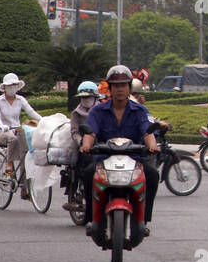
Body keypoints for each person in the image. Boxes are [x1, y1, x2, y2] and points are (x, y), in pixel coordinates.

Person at [78, 65, 160, 237]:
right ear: (110, 88)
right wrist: (86, 145)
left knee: (152, 174)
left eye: (123, 85)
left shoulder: (140, 110)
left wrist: (152, 146)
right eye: (116, 85)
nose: (120, 89)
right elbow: (90, 132)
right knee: (88, 173)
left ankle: (143, 220)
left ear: (129, 87)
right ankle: (92, 217)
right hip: (104, 159)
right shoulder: (98, 110)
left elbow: (148, 131)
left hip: (134, 159)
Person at [0, 72, 42, 200]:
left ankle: (25, 189)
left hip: (17, 129)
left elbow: (31, 112)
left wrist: (43, 120)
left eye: (14, 85)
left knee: (26, 154)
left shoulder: (20, 100)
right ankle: (9, 163)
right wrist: (1, 124)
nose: (12, 87)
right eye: (10, 85)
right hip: (2, 131)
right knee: (12, 139)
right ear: (4, 87)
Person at [65, 81, 99, 211]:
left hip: (101, 144)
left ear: (95, 97)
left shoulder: (102, 110)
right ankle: (81, 194)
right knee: (85, 166)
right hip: (84, 146)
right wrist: (81, 142)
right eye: (83, 97)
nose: (86, 100)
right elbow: (74, 132)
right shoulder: (76, 113)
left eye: (88, 97)